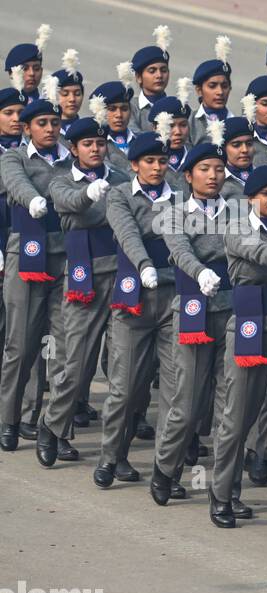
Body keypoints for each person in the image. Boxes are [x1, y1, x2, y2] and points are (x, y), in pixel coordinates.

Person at [209, 160, 267, 527]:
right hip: (249, 328)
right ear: (250, 199)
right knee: (236, 418)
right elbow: (257, 253)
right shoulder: (236, 227)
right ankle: (223, 493)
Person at [150, 124, 233, 506]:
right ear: (187, 176)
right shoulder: (173, 213)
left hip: (233, 315)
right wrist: (201, 271)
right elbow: (181, 253)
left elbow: (246, 254)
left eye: (218, 169)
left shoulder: (237, 211)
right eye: (205, 169)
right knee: (185, 405)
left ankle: (222, 491)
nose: (213, 176)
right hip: (193, 312)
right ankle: (165, 469)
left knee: (227, 408)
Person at [39, 109, 128, 466]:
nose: (95, 149)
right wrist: (91, 194)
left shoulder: (121, 177)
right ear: (73, 148)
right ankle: (52, 426)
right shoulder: (61, 180)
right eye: (87, 144)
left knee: (124, 371)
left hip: (123, 277)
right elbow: (73, 206)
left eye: (100, 143)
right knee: (75, 365)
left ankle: (115, 452)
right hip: (84, 279)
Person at [93, 131, 175, 487]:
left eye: (162, 160)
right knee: (126, 389)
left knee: (174, 393)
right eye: (150, 161)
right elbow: (128, 234)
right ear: (134, 165)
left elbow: (182, 239)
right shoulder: (120, 194)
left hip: (175, 300)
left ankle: (166, 470)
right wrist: (145, 264)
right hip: (134, 300)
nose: (157, 167)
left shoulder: (180, 198)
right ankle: (111, 456)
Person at [0, 94, 68, 452]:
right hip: (25, 257)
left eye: (55, 123)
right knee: (21, 344)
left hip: (66, 260)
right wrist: (34, 199)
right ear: (27, 128)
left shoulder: (69, 159)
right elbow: (16, 184)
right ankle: (10, 418)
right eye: (42, 123)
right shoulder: (14, 158)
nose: (50, 129)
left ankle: (48, 423)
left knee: (58, 345)